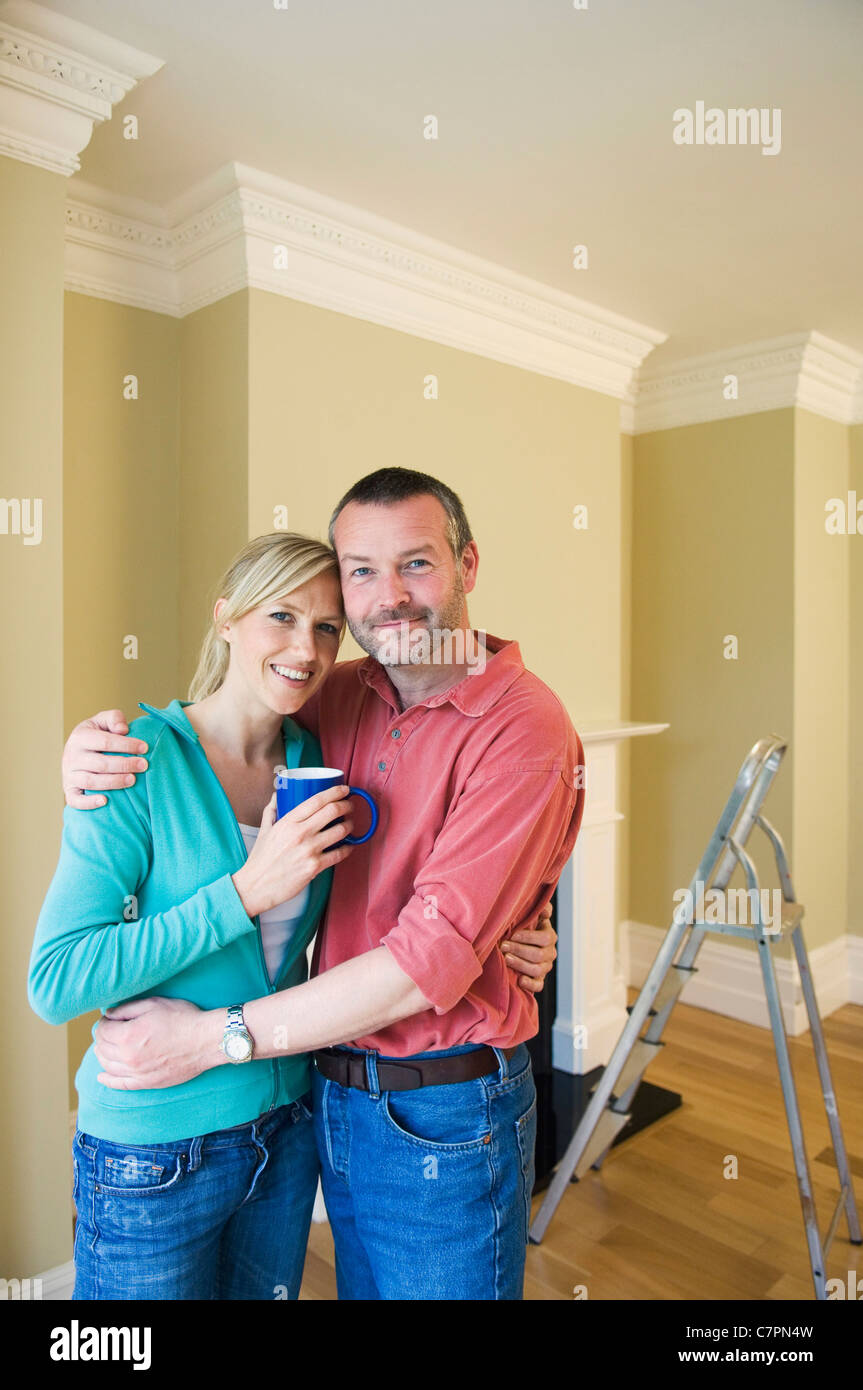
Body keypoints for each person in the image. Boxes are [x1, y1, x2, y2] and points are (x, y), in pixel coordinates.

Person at [61, 467, 580, 1301]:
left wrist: (209, 1038)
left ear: (467, 566)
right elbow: (224, 718)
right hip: (326, 1100)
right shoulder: (338, 693)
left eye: (416, 564)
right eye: (361, 572)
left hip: (444, 1112)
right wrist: (92, 750)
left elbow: (420, 965)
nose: (389, 597)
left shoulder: (524, 727)